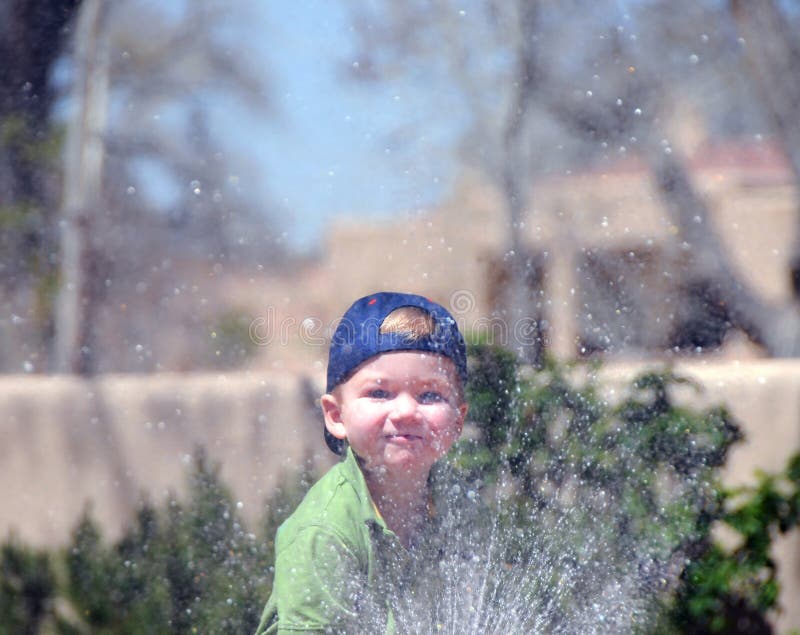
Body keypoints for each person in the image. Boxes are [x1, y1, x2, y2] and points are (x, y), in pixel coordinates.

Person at [254, 291, 480, 634]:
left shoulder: (461, 509)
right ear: (336, 416)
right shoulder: (325, 532)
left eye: (430, 395)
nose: (406, 411)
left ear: (457, 421)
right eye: (379, 393)